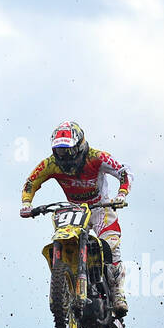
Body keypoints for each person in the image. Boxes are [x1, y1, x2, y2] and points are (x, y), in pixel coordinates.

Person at [20, 121, 133, 317]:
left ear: (79, 146)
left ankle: (117, 293)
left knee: (110, 245)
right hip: (75, 210)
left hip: (100, 207)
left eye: (68, 150)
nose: (64, 155)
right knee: (64, 239)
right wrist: (26, 203)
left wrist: (121, 194)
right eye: (59, 150)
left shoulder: (96, 157)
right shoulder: (51, 163)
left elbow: (124, 171)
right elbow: (31, 181)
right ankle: (66, 282)